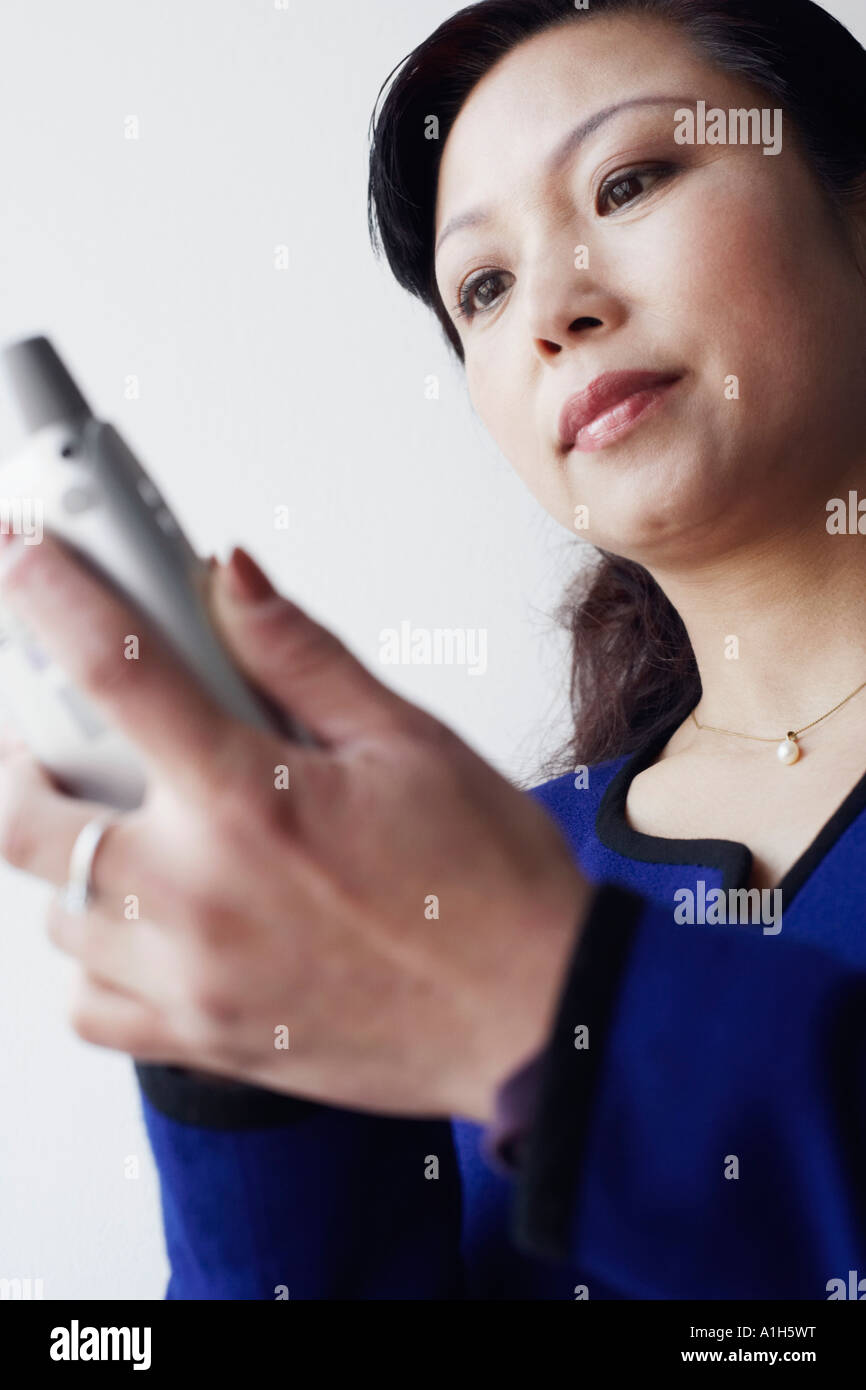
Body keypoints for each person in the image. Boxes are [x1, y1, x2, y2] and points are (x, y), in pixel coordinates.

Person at [1, 0, 866, 1299]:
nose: (552, 311)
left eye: (626, 181)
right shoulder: (460, 867)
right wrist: (249, 1060)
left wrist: (535, 996)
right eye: (483, 286)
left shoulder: (482, 911)